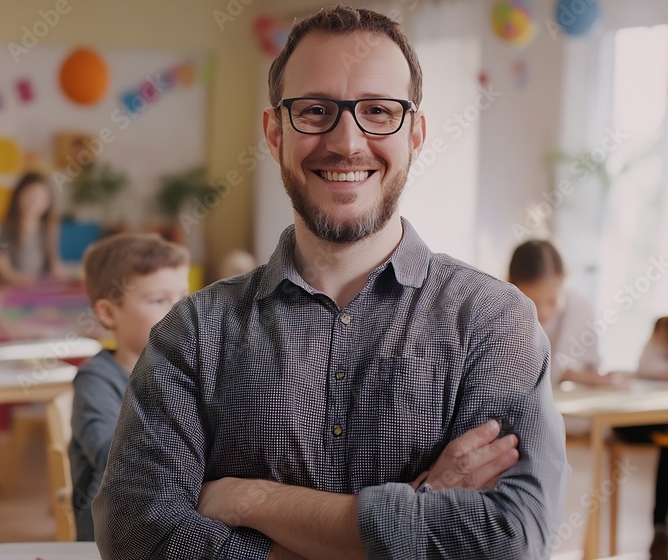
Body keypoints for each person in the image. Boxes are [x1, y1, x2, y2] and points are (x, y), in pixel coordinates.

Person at [92, 6, 568, 559]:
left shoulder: (492, 319)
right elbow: (134, 536)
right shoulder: (195, 332)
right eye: (315, 111)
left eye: (379, 111)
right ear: (275, 134)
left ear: (415, 134)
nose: (347, 141)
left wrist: (254, 501)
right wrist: (421, 505)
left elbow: (512, 541)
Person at [69, 233, 190, 541]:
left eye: (184, 297)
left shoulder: (189, 374)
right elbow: (114, 456)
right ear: (109, 313)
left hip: (183, 523)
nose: (181, 311)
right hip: (118, 537)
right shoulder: (97, 379)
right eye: (159, 300)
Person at [508, 239, 619, 386]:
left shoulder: (579, 308)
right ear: (510, 286)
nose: (543, 313)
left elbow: (591, 367)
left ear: (564, 283)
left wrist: (584, 376)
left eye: (552, 302)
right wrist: (568, 374)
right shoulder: (501, 312)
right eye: (532, 302)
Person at [614, 316, 668, 556]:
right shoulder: (653, 349)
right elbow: (648, 368)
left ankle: (659, 526)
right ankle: (659, 527)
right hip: (638, 421)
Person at [0, 172, 64, 286]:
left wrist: (57, 273)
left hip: (38, 284)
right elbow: (2, 264)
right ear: (18, 197)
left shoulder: (50, 226)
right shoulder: (7, 227)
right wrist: (18, 278)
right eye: (30, 197)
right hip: (12, 283)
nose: (34, 203)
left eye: (41, 198)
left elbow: (54, 260)